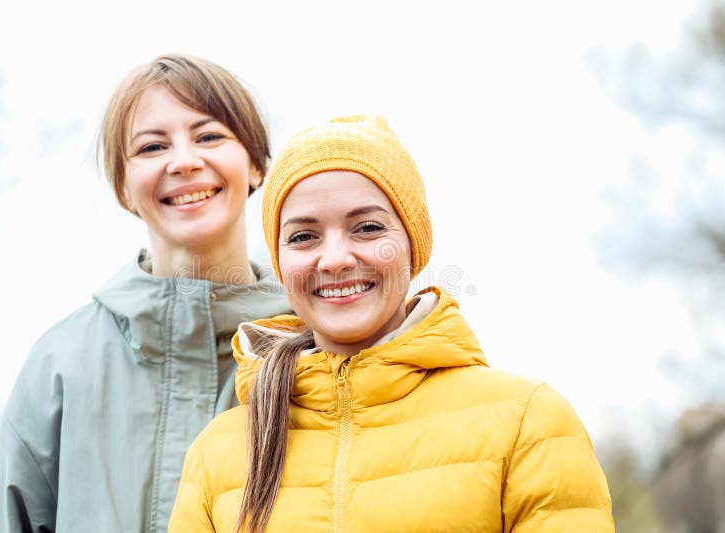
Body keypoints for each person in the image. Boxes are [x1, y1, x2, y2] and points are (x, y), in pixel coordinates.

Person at [168, 114, 615, 532]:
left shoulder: (527, 421)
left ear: (413, 247)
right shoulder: (217, 453)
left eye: (367, 228)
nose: (337, 258)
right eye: (304, 236)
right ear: (282, 263)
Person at [0, 54, 291, 533]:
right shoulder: (58, 364)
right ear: (123, 188)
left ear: (256, 163)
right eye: (153, 147)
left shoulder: (314, 344)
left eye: (209, 136)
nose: (184, 161)